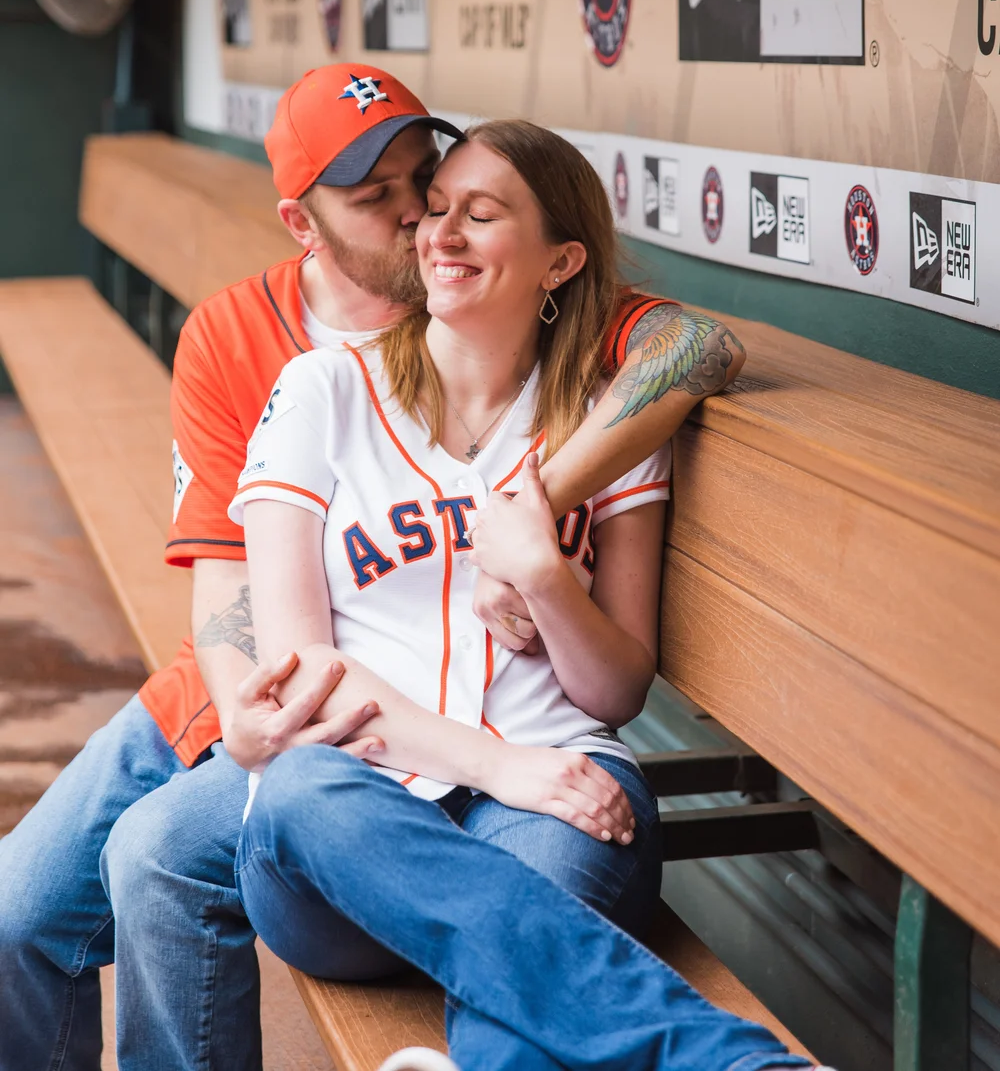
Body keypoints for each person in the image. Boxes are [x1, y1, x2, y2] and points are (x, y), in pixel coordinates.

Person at [0, 65, 746, 1071]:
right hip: (263, 706)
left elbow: (694, 345)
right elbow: (231, 583)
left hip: (486, 722)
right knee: (34, 908)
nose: (415, 218)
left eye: (421, 177)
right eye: (377, 198)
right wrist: (250, 711)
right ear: (303, 226)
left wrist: (529, 523)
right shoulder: (250, 341)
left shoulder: (526, 309)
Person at [232, 119, 817, 1071]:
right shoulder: (322, 390)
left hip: (557, 787)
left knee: (522, 976)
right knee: (299, 792)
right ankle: (730, 1060)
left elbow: (615, 690)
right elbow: (303, 683)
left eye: (481, 214)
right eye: (434, 212)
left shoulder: (606, 421)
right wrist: (502, 771)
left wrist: (544, 572)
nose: (440, 234)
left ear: (561, 262)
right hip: (364, 819)